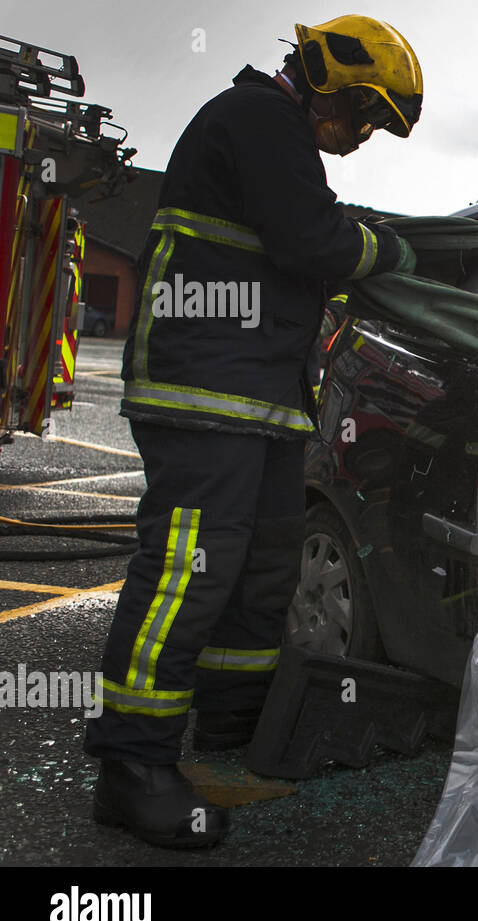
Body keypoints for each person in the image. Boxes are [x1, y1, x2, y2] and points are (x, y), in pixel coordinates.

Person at [85, 15, 423, 848]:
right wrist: (396, 253)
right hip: (205, 396)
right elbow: (317, 242)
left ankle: (232, 721)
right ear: (321, 78)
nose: (363, 134)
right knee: (186, 575)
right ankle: (132, 765)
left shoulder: (281, 142)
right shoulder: (256, 120)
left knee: (259, 571)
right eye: (363, 113)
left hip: (257, 403)